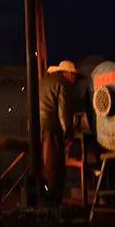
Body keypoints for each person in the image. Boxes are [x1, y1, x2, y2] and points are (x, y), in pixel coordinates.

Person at [38, 60, 78, 206]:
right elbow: (64, 113)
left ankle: (42, 200)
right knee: (54, 168)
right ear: (66, 73)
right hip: (51, 129)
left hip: (37, 128)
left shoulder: (43, 82)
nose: (75, 80)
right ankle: (53, 204)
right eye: (74, 75)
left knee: (41, 166)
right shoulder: (63, 84)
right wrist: (68, 134)